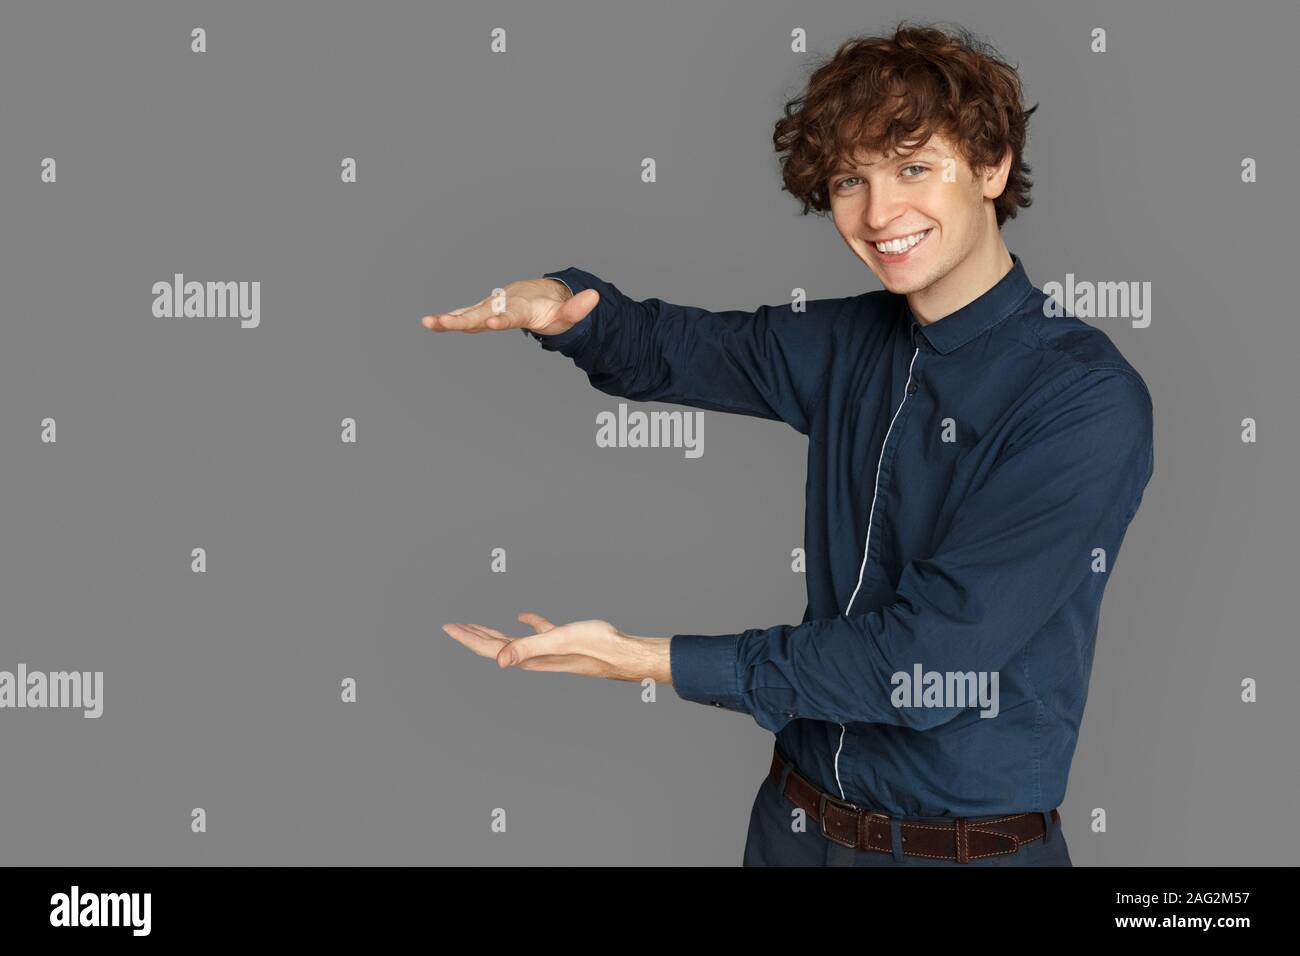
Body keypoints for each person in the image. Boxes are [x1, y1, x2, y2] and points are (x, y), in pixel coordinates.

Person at [422, 22, 1153, 867]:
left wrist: (647, 661)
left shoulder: (1083, 399)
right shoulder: (845, 342)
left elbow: (920, 667)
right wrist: (565, 304)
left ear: (991, 166)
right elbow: (672, 348)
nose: (880, 215)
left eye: (914, 167)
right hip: (792, 828)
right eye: (851, 180)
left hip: (960, 853)